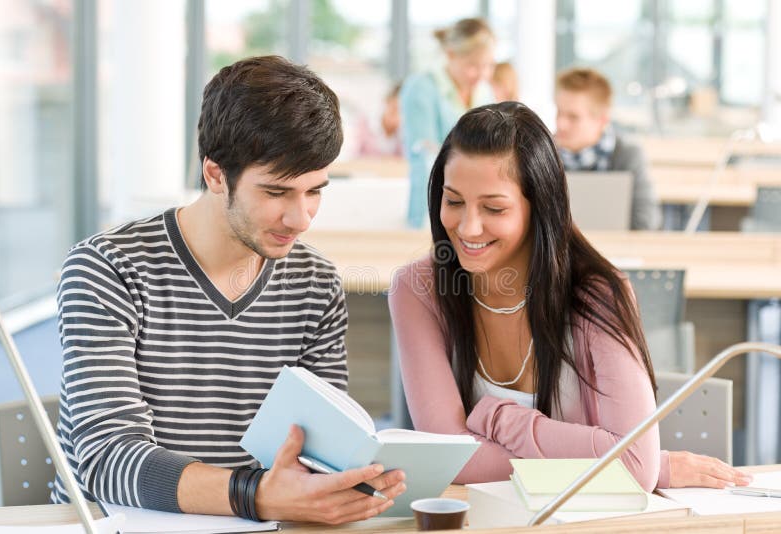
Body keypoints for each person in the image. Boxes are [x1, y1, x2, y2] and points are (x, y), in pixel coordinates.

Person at [51, 56, 405, 524]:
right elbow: (107, 461)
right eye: (277, 193)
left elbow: (318, 446)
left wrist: (346, 481)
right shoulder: (107, 268)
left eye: (315, 191)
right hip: (119, 521)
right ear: (216, 175)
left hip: (251, 521)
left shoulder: (316, 282)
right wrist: (256, 495)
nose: (301, 219)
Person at [388, 101, 752, 490]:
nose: (468, 227)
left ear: (540, 206)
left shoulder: (598, 294)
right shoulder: (417, 289)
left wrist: (499, 420)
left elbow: (631, 465)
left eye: (494, 208)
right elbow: (450, 459)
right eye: (454, 201)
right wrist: (630, 465)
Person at [400, 17, 496, 229]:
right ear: (451, 55)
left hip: (475, 206)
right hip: (432, 201)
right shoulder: (421, 88)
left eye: (488, 65)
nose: (481, 74)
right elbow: (425, 157)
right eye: (472, 65)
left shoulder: (484, 91)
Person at [554, 67, 662, 230]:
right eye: (559, 112)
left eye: (573, 117)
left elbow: (646, 223)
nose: (560, 124)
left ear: (602, 120)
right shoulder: (544, 153)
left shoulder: (627, 155)